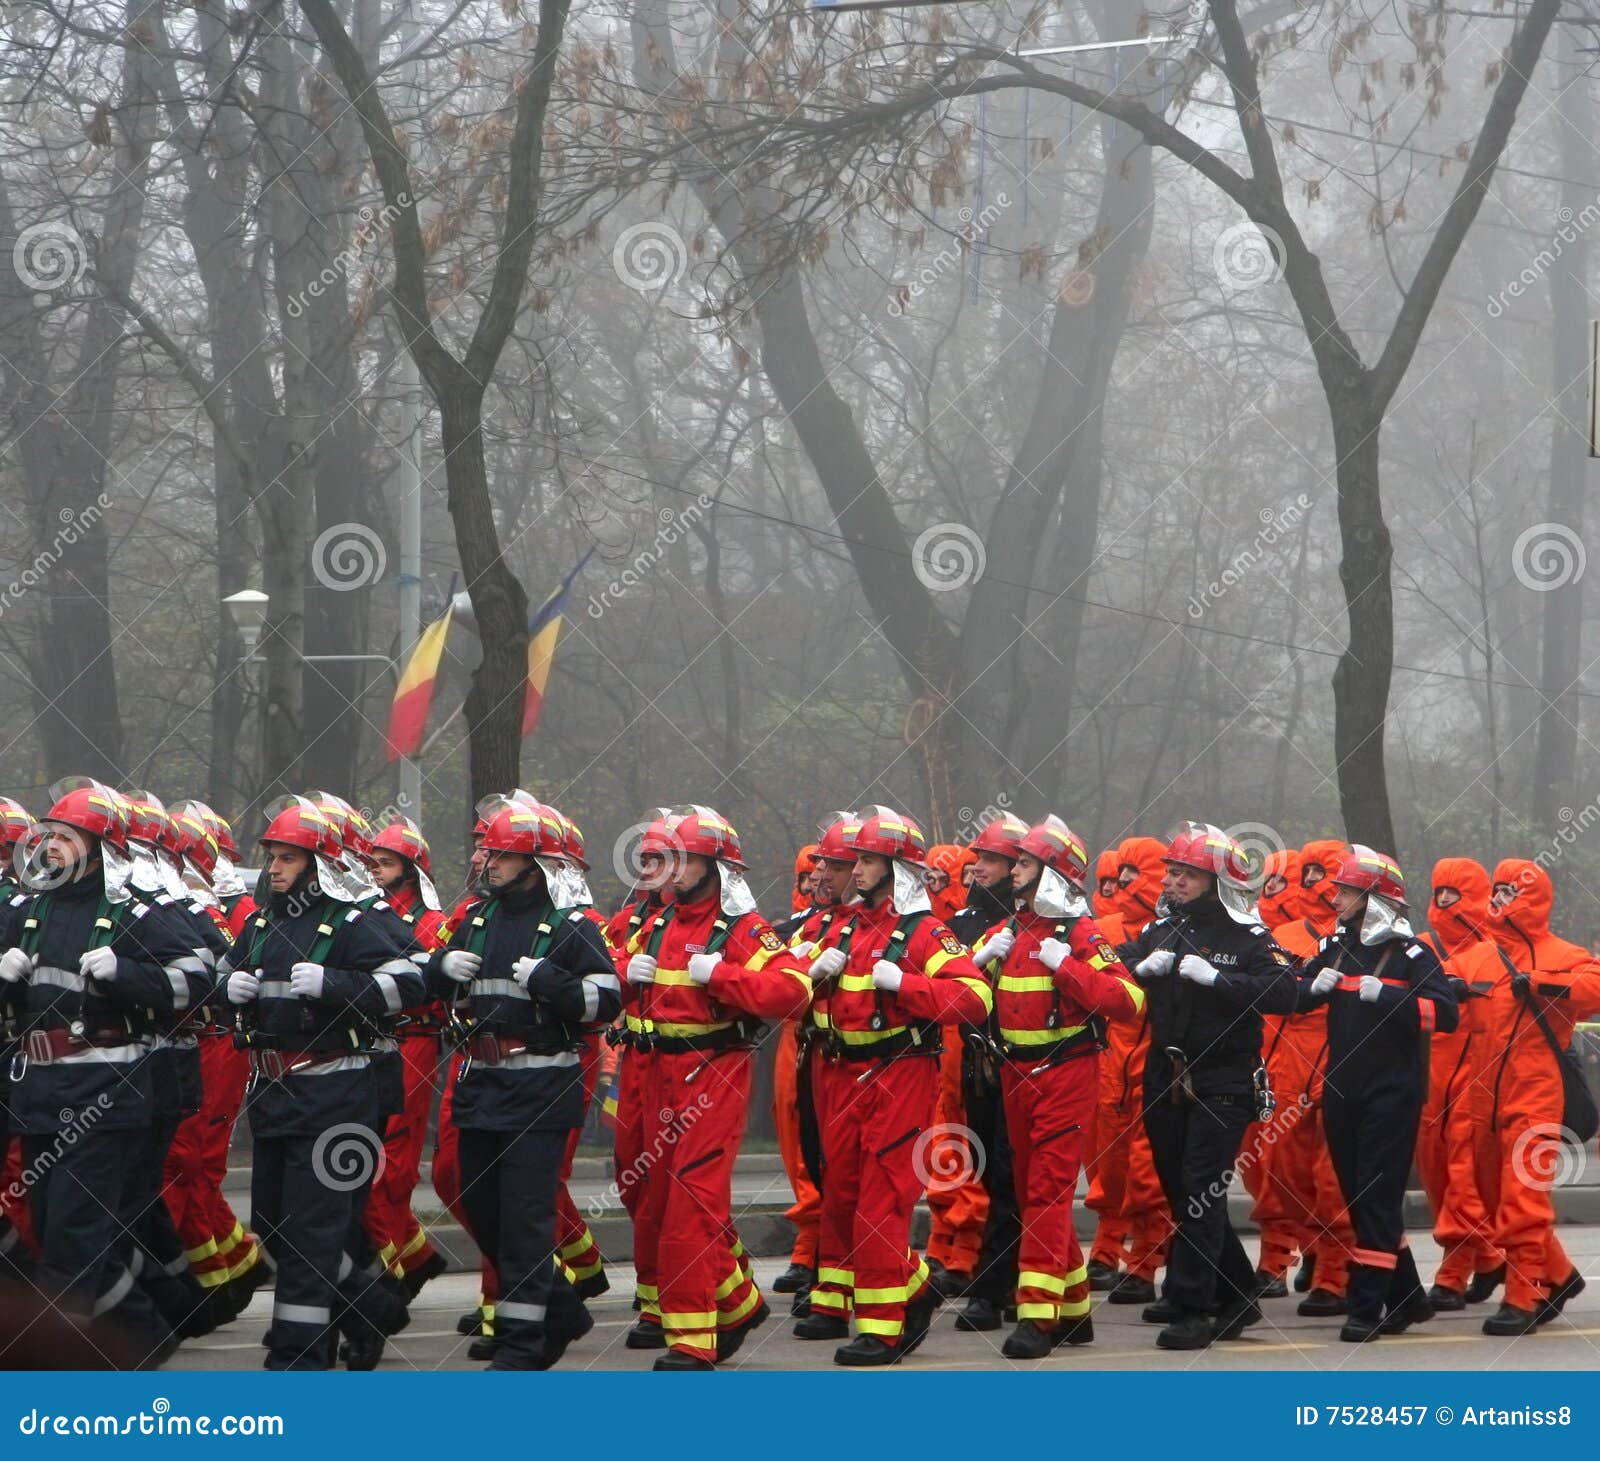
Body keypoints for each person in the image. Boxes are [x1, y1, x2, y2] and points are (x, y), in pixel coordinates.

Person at [0, 779, 198, 1368]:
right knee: (57, 1230)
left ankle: (62, 1372)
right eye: (50, 835)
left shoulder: (135, 911)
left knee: (72, 1239)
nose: (52, 847)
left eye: (66, 837)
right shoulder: (28, 907)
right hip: (38, 1091)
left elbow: (199, 978)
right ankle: (145, 1337)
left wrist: (127, 973)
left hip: (105, 1095)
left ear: (100, 846)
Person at [222, 795, 422, 1370]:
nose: (275, 869)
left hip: (337, 1092)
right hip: (275, 1092)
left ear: (319, 865)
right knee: (274, 1226)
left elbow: (411, 983)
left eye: (288, 858)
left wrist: (337, 983)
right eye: (273, 857)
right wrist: (227, 986)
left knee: (313, 1231)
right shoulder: (261, 924)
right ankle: (371, 1304)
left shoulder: (357, 921)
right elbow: (224, 980)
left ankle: (299, 1356)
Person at [424, 799, 620, 1370]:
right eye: (491, 853)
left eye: (504, 856)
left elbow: (606, 1001)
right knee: (479, 1205)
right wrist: (439, 971)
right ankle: (559, 1308)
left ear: (534, 864)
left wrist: (551, 980)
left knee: (525, 1217)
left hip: (541, 1087)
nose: (489, 862)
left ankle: (523, 1344)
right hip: (480, 1082)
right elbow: (427, 987)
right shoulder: (475, 918)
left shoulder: (572, 926)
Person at [798, 806, 990, 1366]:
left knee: (882, 1198)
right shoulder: (844, 925)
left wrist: (906, 984)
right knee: (847, 1192)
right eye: (854, 859)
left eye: (866, 859)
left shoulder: (926, 930)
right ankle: (914, 1287)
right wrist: (808, 977)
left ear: (896, 866)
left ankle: (883, 1329)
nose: (854, 870)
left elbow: (974, 1000)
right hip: (837, 1072)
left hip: (897, 1072)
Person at [622, 805, 811, 1369]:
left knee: (690, 1203)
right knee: (649, 1195)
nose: (670, 870)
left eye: (683, 860)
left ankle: (692, 1338)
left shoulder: (742, 930)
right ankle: (736, 1299)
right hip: (654, 1073)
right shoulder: (653, 920)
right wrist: (620, 967)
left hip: (711, 1072)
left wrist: (722, 975)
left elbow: (792, 990)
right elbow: (598, 954)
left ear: (715, 865)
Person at [1124, 822, 1297, 1351]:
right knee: (1180, 1190)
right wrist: (1138, 966)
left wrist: (1220, 981)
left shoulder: (1248, 936)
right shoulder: (1164, 930)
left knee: (1201, 1190)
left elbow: (1285, 991)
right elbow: (1115, 962)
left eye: (1185, 874)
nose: (1172, 882)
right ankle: (1232, 1290)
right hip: (1167, 1072)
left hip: (1222, 1077)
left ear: (1216, 880)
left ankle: (1197, 1305)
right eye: (1171, 872)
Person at [977, 817, 1143, 1357]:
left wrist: (1067, 967)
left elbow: (1130, 1002)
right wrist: (978, 962)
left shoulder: (1079, 933)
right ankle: (1073, 1309)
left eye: (1024, 863)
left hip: (1064, 1072)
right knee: (1031, 1191)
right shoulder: (1013, 929)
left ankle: (1037, 1316)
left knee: (1047, 1191)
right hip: (1014, 1072)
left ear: (1052, 875)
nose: (1014, 870)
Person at [1294, 847, 1457, 1341]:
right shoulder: (1336, 946)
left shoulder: (1412, 954)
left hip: (1392, 1093)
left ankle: (1366, 1306)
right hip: (1342, 1088)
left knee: (1376, 1198)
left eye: (1345, 891)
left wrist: (1388, 995)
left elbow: (1445, 1015)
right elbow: (1295, 999)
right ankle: (1407, 1298)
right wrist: (1308, 983)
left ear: (1375, 898)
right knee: (1360, 1198)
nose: (1335, 898)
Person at [1475, 858, 1600, 1335]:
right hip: (1484, 1099)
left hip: (1535, 1095)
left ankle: (1523, 1295)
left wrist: (1546, 984)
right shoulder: (1481, 953)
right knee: (1492, 1200)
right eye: (1496, 889)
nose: (1499, 899)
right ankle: (1561, 1275)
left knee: (1524, 1198)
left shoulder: (1561, 953)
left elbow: (1595, 986)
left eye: (1509, 891)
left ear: (1530, 898)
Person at [1264, 838, 1356, 1315]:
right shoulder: (1282, 936)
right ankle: (1313, 1246)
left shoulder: (1365, 940)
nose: (1317, 884)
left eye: (1328, 876)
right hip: (1287, 1072)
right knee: (1283, 1171)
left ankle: (1335, 1276)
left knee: (1332, 1177)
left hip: (1341, 1070)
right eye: (1312, 873)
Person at [947, 812, 1030, 1332]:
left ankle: (996, 1286)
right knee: (980, 1171)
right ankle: (1000, 1275)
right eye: (978, 858)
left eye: (994, 860)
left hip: (1020, 1063)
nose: (980, 867)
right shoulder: (959, 924)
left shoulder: (1031, 921)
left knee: (1009, 1175)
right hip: (974, 1065)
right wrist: (976, 958)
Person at [363, 818, 449, 1299]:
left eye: (387, 863)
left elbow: (435, 993)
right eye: (372, 862)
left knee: (390, 1166)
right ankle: (413, 1257)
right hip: (375, 1041)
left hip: (413, 1041)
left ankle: (389, 1274)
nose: (375, 871)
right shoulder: (367, 915)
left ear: (412, 870)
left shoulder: (433, 925)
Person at [1416, 858, 1503, 1309]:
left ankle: (1452, 1274)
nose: (1445, 900)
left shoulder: (1497, 949)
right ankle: (1488, 1258)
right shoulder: (1421, 947)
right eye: (1440, 891)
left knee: (1464, 1180)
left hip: (1479, 1084)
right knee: (1436, 1175)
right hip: (1431, 1083)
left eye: (1455, 893)